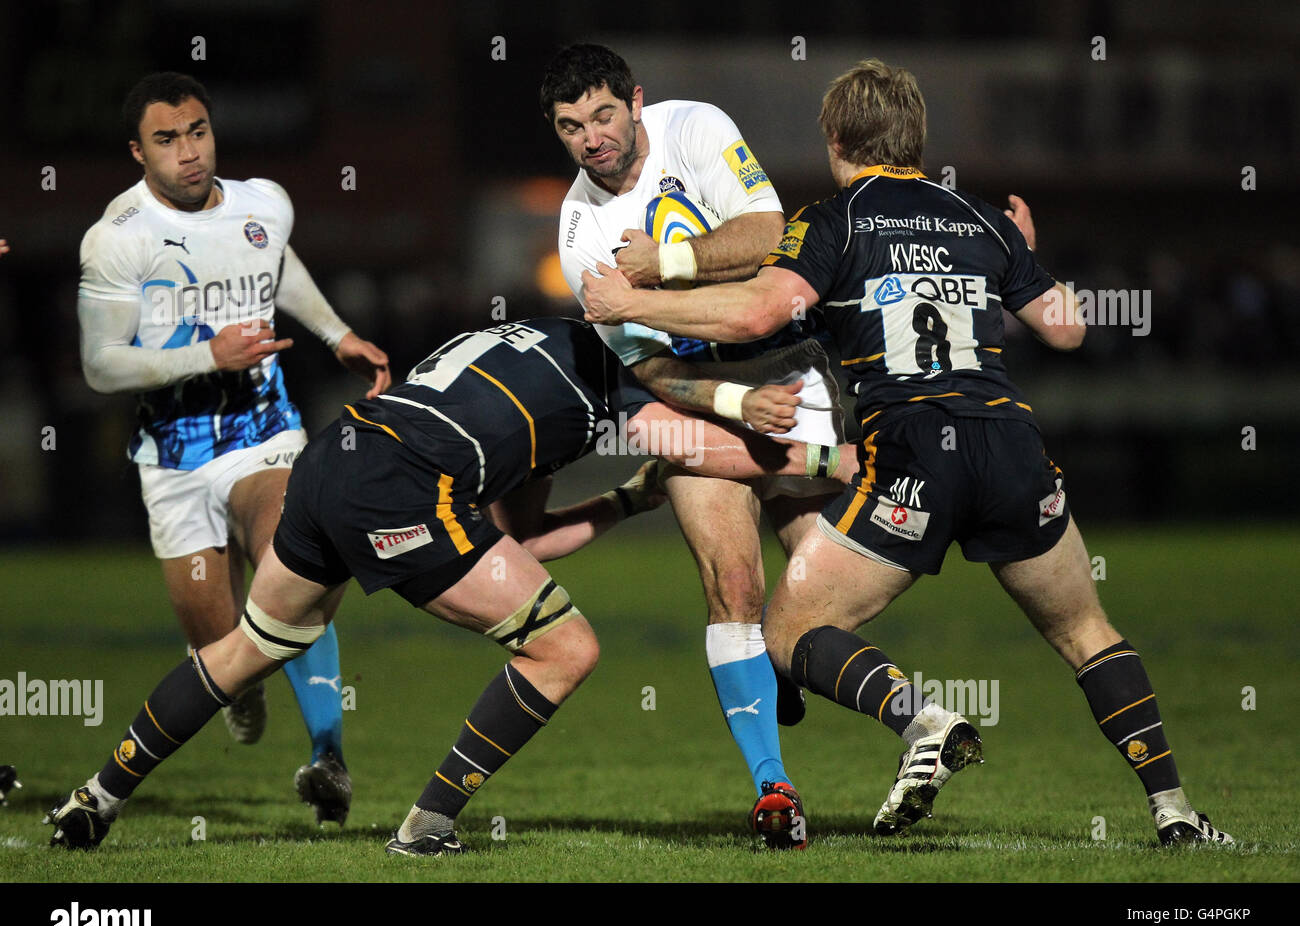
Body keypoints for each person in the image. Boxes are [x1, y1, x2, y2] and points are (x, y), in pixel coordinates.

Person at [582, 59, 1232, 846]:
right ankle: (1175, 815)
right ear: (917, 139)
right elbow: (1067, 327)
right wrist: (1022, 256)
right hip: (1010, 445)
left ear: (835, 140)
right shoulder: (981, 218)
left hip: (915, 455)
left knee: (789, 629)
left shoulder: (835, 221)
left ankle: (922, 719)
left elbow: (759, 314)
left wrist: (634, 302)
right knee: (1087, 630)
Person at [46, 316, 851, 855]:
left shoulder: (528, 335)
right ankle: (426, 824)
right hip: (403, 487)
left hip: (332, 462)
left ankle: (95, 796)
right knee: (565, 650)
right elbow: (732, 458)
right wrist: (836, 460)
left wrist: (628, 498)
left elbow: (526, 536)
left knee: (250, 646)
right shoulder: (626, 391)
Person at [542, 43, 844, 849]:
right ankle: (773, 788)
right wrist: (739, 403)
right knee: (733, 585)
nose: (591, 138)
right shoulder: (578, 231)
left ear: (635, 102)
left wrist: (665, 265)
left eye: (603, 115)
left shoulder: (695, 128)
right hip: (712, 399)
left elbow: (769, 231)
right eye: (571, 127)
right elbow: (649, 368)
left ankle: (830, 687)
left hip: (790, 363)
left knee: (816, 598)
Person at [76, 72, 391, 826]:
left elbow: (275, 264)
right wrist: (205, 355)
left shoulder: (263, 202)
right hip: (175, 458)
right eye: (166, 139)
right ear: (136, 151)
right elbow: (100, 364)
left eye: (197, 132)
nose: (188, 151)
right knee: (223, 649)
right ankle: (238, 688)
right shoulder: (118, 237)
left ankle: (329, 758)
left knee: (295, 566)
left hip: (264, 432)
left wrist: (337, 334)